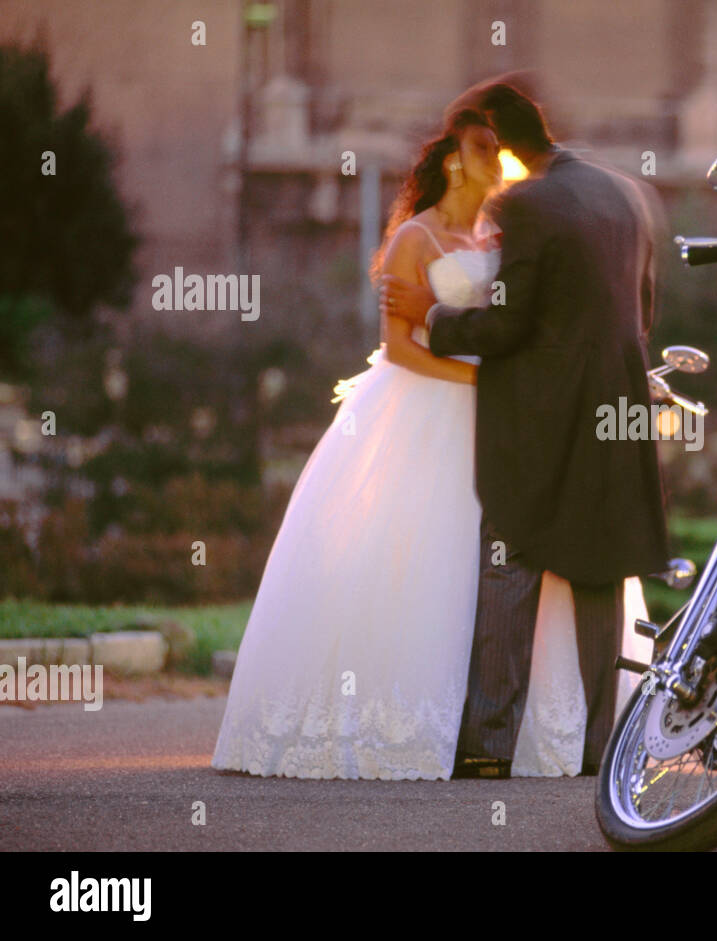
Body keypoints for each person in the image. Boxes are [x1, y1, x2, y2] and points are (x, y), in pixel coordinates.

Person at [211, 104, 651, 781]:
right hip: (428, 411)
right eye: (483, 149)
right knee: (424, 559)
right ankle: (411, 723)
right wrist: (483, 382)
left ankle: (530, 730)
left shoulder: (504, 240)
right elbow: (397, 349)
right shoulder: (415, 238)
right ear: (453, 159)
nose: (497, 162)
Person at [382, 81, 670, 778]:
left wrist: (435, 313)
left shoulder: (527, 203)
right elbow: (644, 309)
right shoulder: (625, 193)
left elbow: (509, 319)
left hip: (542, 417)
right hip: (616, 412)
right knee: (599, 571)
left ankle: (487, 745)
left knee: (512, 560)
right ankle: (605, 751)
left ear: (506, 146)